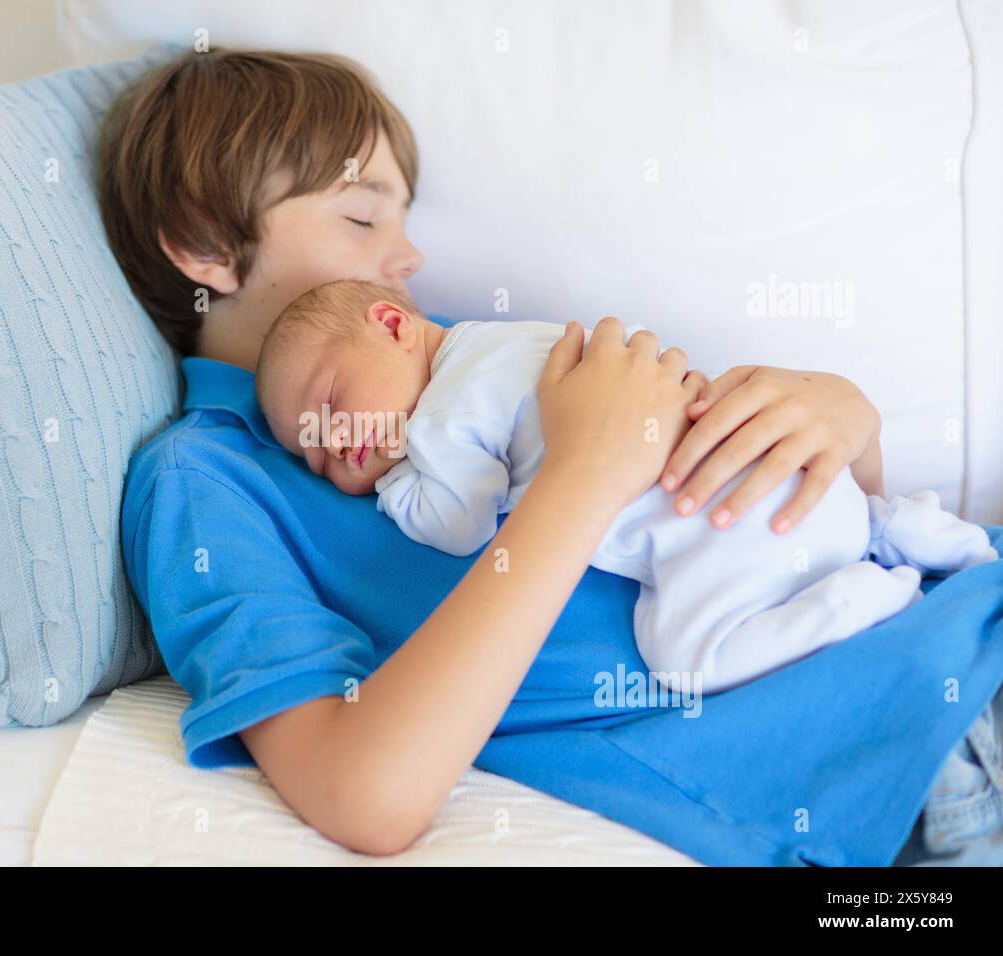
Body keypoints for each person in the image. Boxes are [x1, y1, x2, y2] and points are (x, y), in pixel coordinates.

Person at [98, 48, 1003, 864]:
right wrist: (581, 476)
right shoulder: (207, 485)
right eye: (362, 216)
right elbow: (363, 796)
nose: (406, 256)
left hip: (960, 593)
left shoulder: (445, 347)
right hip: (916, 740)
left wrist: (848, 426)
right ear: (206, 244)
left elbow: (759, 507)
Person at [251, 279, 998, 693]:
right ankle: (897, 523)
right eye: (312, 458)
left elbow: (460, 525)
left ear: (392, 324)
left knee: (682, 657)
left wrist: (393, 489)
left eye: (327, 407)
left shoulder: (443, 417)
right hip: (798, 482)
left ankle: (858, 598)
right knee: (820, 522)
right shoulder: (509, 341)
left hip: (721, 515)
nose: (331, 448)